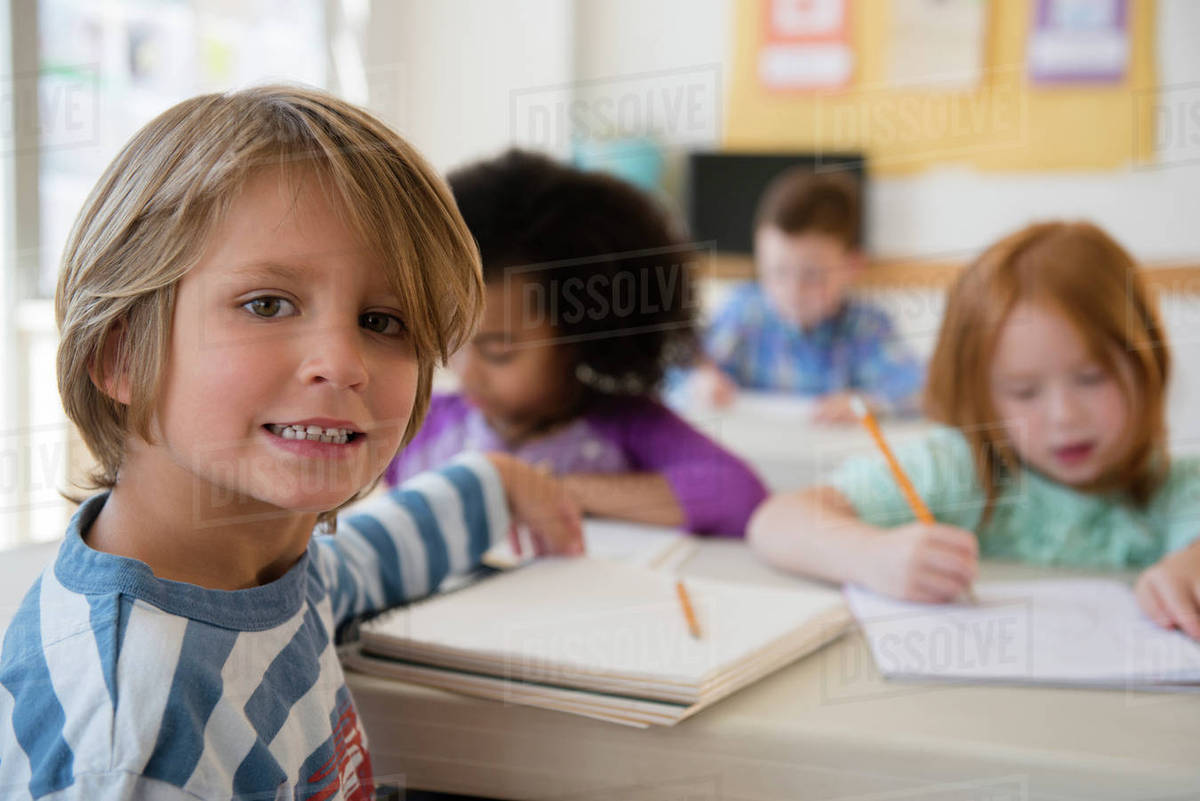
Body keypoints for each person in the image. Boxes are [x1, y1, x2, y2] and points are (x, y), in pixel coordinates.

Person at [0, 86, 581, 801]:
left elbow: (363, 559)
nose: (344, 361)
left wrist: (496, 483)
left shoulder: (266, 566)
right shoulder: (132, 740)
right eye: (266, 304)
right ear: (120, 355)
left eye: (382, 319)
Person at [748, 221, 1200, 638]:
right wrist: (869, 556)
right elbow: (774, 522)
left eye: (1092, 378)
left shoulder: (1172, 488)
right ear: (980, 393)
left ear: (1147, 366)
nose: (1064, 415)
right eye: (1023, 391)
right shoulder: (956, 470)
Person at [387, 150, 768, 536]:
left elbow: (738, 494)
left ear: (579, 337)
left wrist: (552, 490)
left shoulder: (626, 425)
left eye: (498, 351)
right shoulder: (419, 424)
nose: (465, 373)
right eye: (452, 339)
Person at [692, 168, 923, 422]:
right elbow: (682, 369)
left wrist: (867, 403)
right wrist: (702, 379)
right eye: (777, 271)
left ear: (853, 266)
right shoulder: (744, 313)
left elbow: (920, 390)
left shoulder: (866, 327)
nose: (793, 290)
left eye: (812, 275)